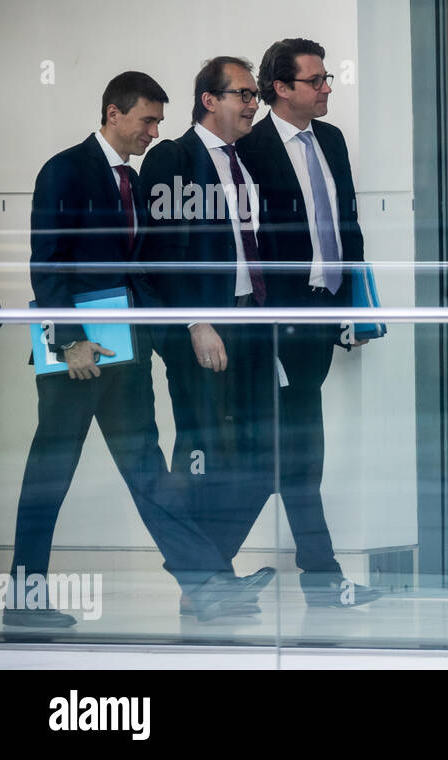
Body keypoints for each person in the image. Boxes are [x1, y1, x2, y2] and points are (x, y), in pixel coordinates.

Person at [6, 72, 272, 628]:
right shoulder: (65, 170)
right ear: (113, 114)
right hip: (76, 356)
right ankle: (23, 599)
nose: (154, 131)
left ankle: (209, 583)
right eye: (146, 120)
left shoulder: (133, 179)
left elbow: (138, 267)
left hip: (125, 348)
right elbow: (47, 264)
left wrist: (161, 331)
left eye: (158, 121)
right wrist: (69, 340)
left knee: (148, 470)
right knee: (50, 475)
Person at [233, 39, 380, 608]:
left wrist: (356, 308)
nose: (326, 87)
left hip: (323, 313)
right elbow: (248, 244)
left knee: (296, 450)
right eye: (315, 80)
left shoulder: (333, 140)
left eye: (326, 79)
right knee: (288, 453)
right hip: (276, 322)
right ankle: (209, 568)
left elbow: (347, 225)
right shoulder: (251, 147)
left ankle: (214, 570)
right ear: (281, 89)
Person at [139, 57, 278, 616]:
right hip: (202, 330)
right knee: (200, 453)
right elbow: (156, 256)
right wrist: (197, 321)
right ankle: (206, 580)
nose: (253, 103)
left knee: (261, 458)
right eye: (243, 93)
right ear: (209, 100)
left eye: (253, 95)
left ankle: (208, 578)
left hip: (249, 325)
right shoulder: (173, 157)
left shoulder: (243, 163)